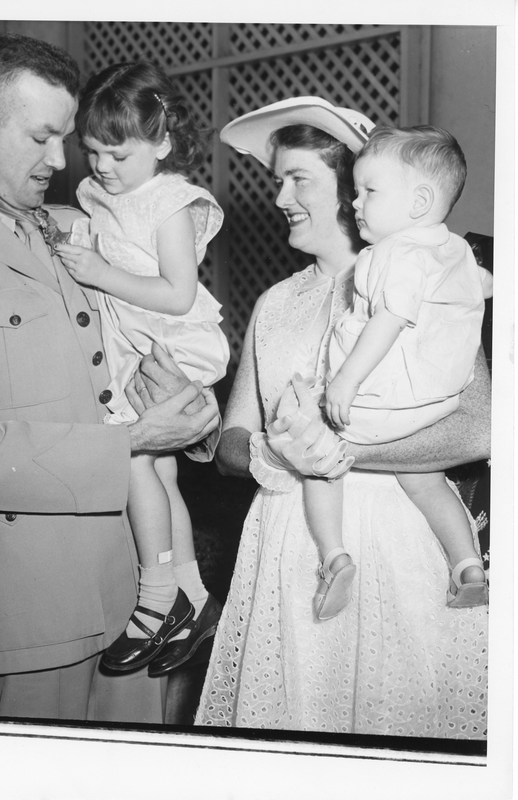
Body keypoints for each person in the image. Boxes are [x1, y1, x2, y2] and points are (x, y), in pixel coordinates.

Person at [0, 33, 219, 723]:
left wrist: (189, 410)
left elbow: (166, 340)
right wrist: (135, 440)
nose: (61, 159)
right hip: (30, 611)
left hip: (136, 598)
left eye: (65, 138)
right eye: (42, 137)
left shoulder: (88, 227)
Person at [195, 97, 489, 736]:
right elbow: (231, 444)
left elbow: (478, 427)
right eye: (279, 181)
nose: (280, 198)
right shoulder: (276, 301)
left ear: (354, 182)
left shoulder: (424, 276)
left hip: (399, 538)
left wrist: (332, 453)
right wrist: (275, 452)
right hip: (288, 545)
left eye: (298, 179)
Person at [55, 61, 228, 676]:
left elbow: (178, 294)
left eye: (119, 154)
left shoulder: (170, 204)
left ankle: (155, 597)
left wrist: (103, 274)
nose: (102, 166)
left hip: (169, 343)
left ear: (162, 143)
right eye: (92, 151)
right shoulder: (101, 192)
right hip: (132, 341)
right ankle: (194, 600)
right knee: (160, 472)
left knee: (131, 460)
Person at [294, 124, 492, 621]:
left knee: (317, 457)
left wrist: (345, 381)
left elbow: (389, 319)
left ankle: (334, 557)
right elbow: (483, 287)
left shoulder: (395, 252)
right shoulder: (453, 249)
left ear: (419, 201)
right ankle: (468, 565)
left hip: (382, 397)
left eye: (369, 191)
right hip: (435, 402)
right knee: (425, 480)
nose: (354, 202)